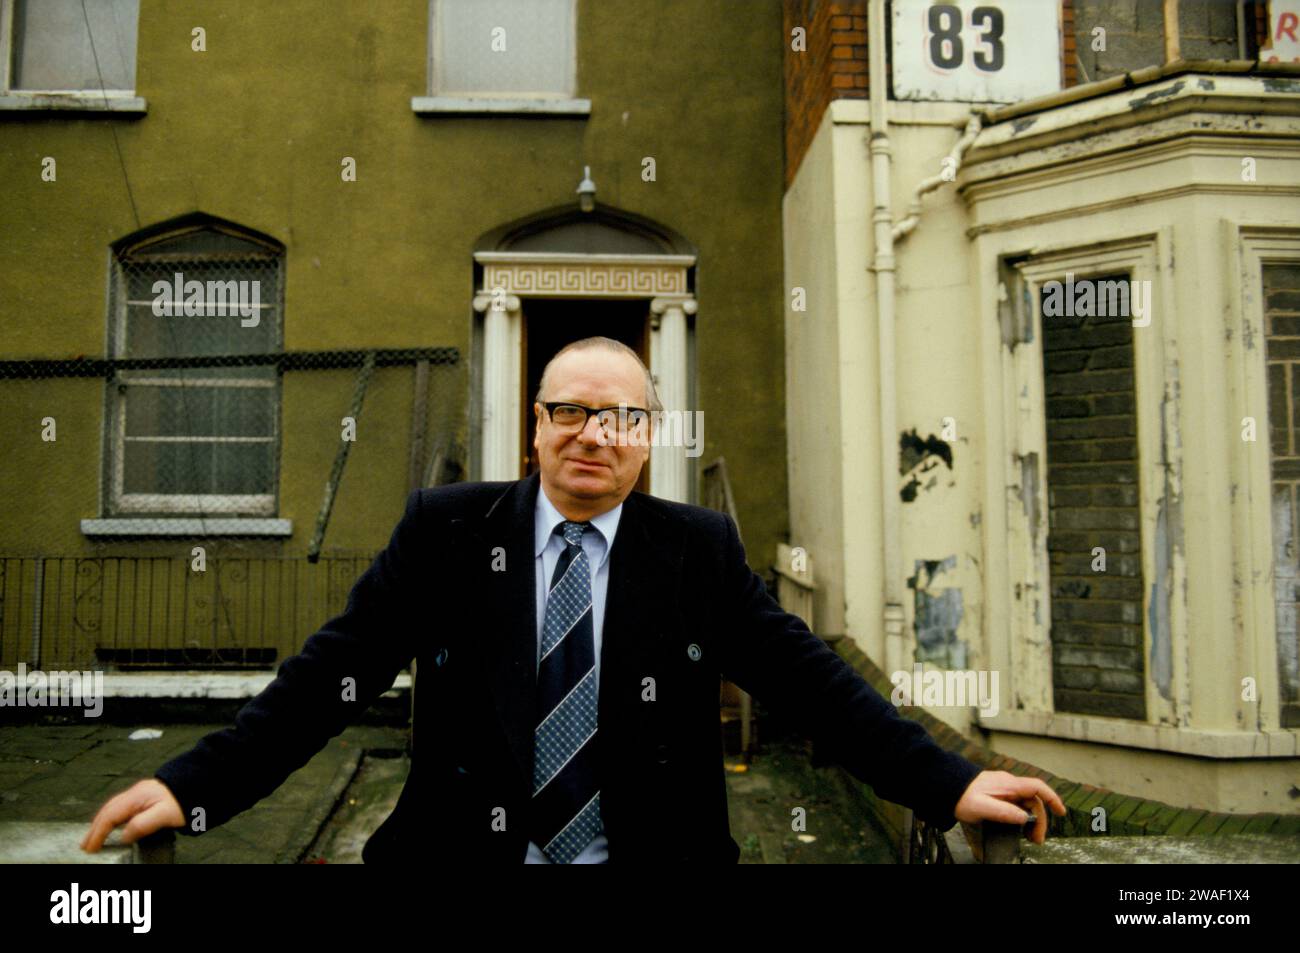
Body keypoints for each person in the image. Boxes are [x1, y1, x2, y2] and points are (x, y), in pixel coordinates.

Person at [82, 335, 1064, 863]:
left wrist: (945, 781)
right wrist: (193, 785)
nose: (592, 433)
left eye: (621, 415)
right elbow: (327, 677)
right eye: (569, 410)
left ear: (648, 435)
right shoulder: (447, 532)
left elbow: (808, 682)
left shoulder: (696, 549)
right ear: (535, 427)